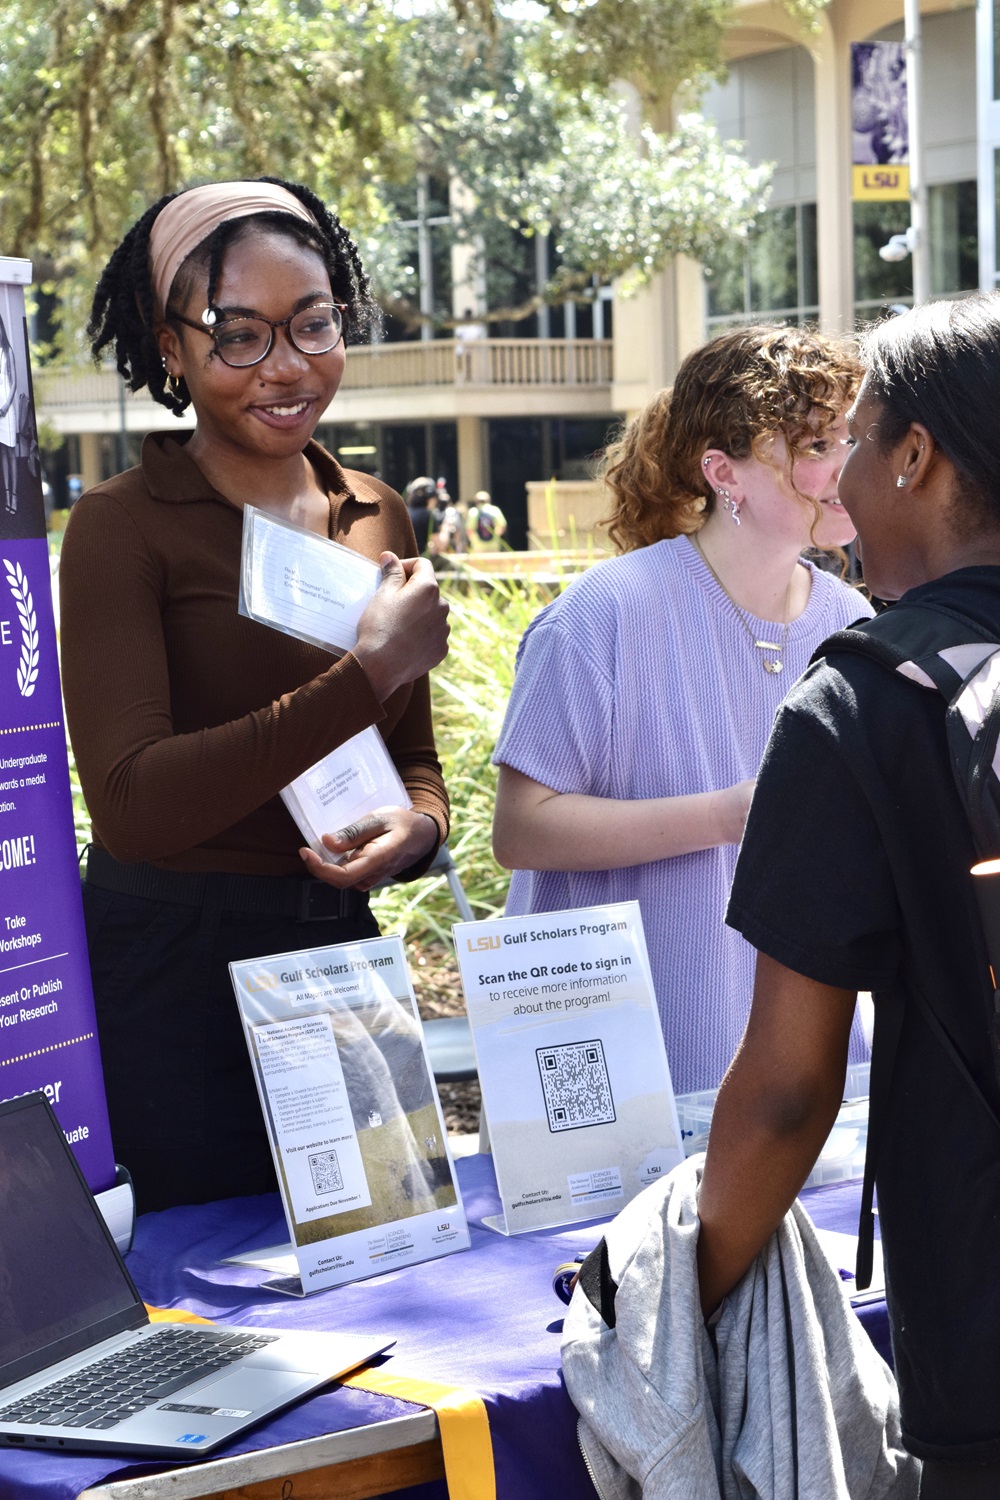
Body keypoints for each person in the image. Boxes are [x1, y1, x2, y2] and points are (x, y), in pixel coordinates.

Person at [60, 178, 450, 1212]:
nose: (286, 366)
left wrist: (417, 827)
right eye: (238, 336)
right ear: (173, 348)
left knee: (390, 1273)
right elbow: (134, 804)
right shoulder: (123, 525)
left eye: (312, 324)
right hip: (174, 979)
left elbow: (413, 762)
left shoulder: (376, 515)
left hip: (339, 956)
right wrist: (367, 668)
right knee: (205, 1299)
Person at [697, 295, 1000, 1496]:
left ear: (915, 456)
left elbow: (784, 1089)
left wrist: (684, 1286)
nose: (842, 491)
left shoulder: (860, 702)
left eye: (859, 442)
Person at [491, 325, 872, 1096]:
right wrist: (730, 814)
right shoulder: (603, 613)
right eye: (816, 445)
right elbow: (519, 829)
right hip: (620, 1061)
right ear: (722, 472)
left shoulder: (849, 621)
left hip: (801, 1056)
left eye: (851, 440)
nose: (844, 468)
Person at [0, 315, 17, 516]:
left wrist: (6, 405)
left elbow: (14, 383)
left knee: (11, 452)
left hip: (8, 406)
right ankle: (6, 493)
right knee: (3, 451)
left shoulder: (8, 351)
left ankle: (14, 494)